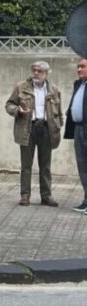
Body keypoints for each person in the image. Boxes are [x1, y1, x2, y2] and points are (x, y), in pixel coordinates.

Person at [5, 61, 63, 207]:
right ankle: (25, 195)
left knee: (45, 165)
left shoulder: (54, 90)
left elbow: (59, 113)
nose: (36, 73)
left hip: (45, 128)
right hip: (27, 128)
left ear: (47, 73)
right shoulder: (21, 87)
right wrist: (18, 110)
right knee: (26, 165)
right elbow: (9, 105)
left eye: (40, 71)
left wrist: (58, 126)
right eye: (34, 70)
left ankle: (46, 196)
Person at [65, 58, 87, 213]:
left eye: (83, 67)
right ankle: (86, 200)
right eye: (78, 67)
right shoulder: (78, 84)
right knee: (82, 167)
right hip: (79, 129)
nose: (79, 69)